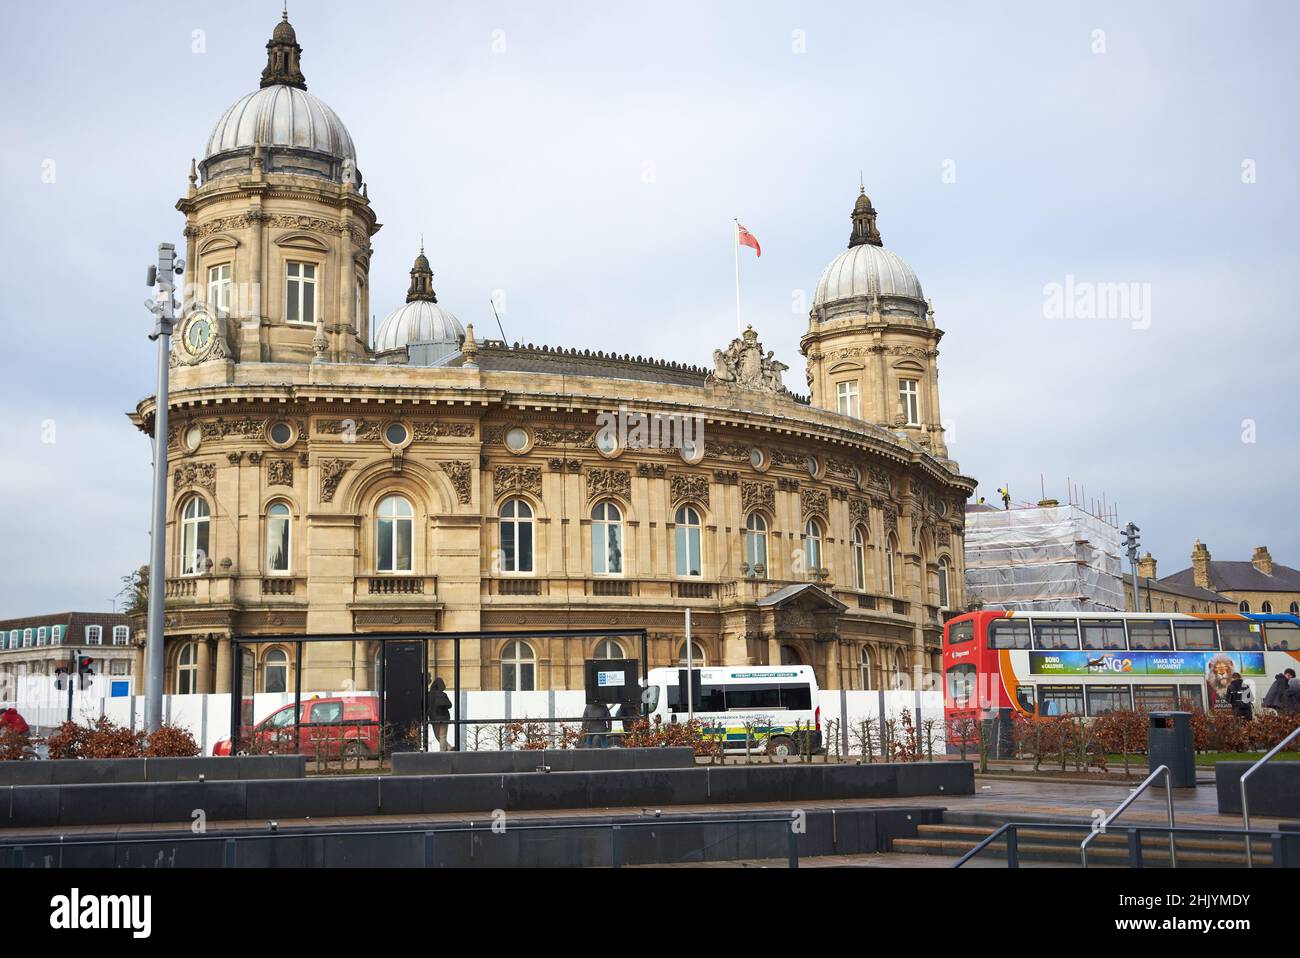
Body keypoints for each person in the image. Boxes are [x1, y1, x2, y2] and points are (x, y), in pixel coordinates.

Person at [427, 676, 453, 752]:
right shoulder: (443, 694)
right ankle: (446, 749)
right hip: (445, 718)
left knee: (437, 736)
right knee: (443, 736)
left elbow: (427, 707)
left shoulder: (429, 695)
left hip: (434, 718)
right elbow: (450, 705)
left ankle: (446, 749)